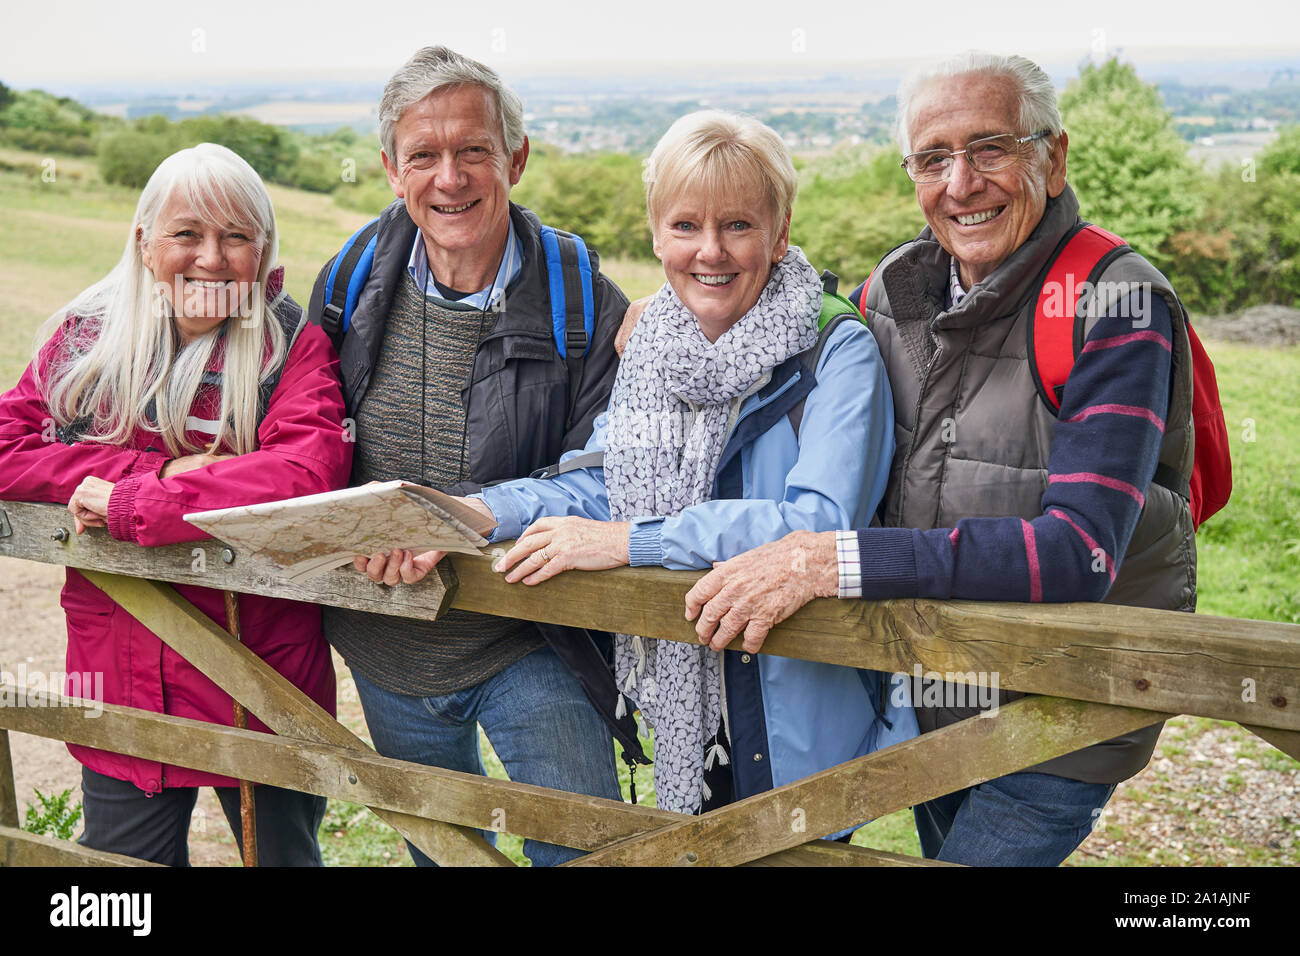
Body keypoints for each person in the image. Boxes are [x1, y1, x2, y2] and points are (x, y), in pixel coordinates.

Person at [680, 52, 1198, 865]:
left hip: (1062, 703)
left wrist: (834, 561)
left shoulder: (1116, 302)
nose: (961, 183)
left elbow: (1079, 552)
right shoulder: (896, 287)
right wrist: (665, 319)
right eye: (932, 158)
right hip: (931, 690)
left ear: (1052, 158)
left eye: (991, 148)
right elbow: (783, 345)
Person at [408, 109, 914, 819]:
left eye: (738, 225)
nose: (711, 251)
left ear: (782, 230)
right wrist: (482, 510)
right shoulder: (651, 348)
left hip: (795, 715)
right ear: (656, 233)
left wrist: (633, 543)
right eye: (686, 226)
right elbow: (605, 481)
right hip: (688, 702)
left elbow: (817, 522)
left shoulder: (833, 349)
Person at [307, 45, 636, 867]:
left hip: (534, 637)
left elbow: (613, 470)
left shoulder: (579, 294)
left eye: (473, 151)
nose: (449, 177)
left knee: (582, 850)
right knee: (444, 855)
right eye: (424, 155)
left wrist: (469, 517)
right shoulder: (348, 280)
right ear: (391, 168)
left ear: (514, 158)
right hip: (388, 639)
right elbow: (306, 439)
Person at [0, 143, 353, 866]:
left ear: (265, 248)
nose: (213, 258)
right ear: (143, 242)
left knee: (283, 858)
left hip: (263, 674)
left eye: (237, 237)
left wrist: (137, 501)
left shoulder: (291, 347)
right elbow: (6, 444)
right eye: (187, 233)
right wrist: (150, 469)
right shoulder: (87, 343)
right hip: (122, 667)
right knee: (122, 879)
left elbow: (304, 472)